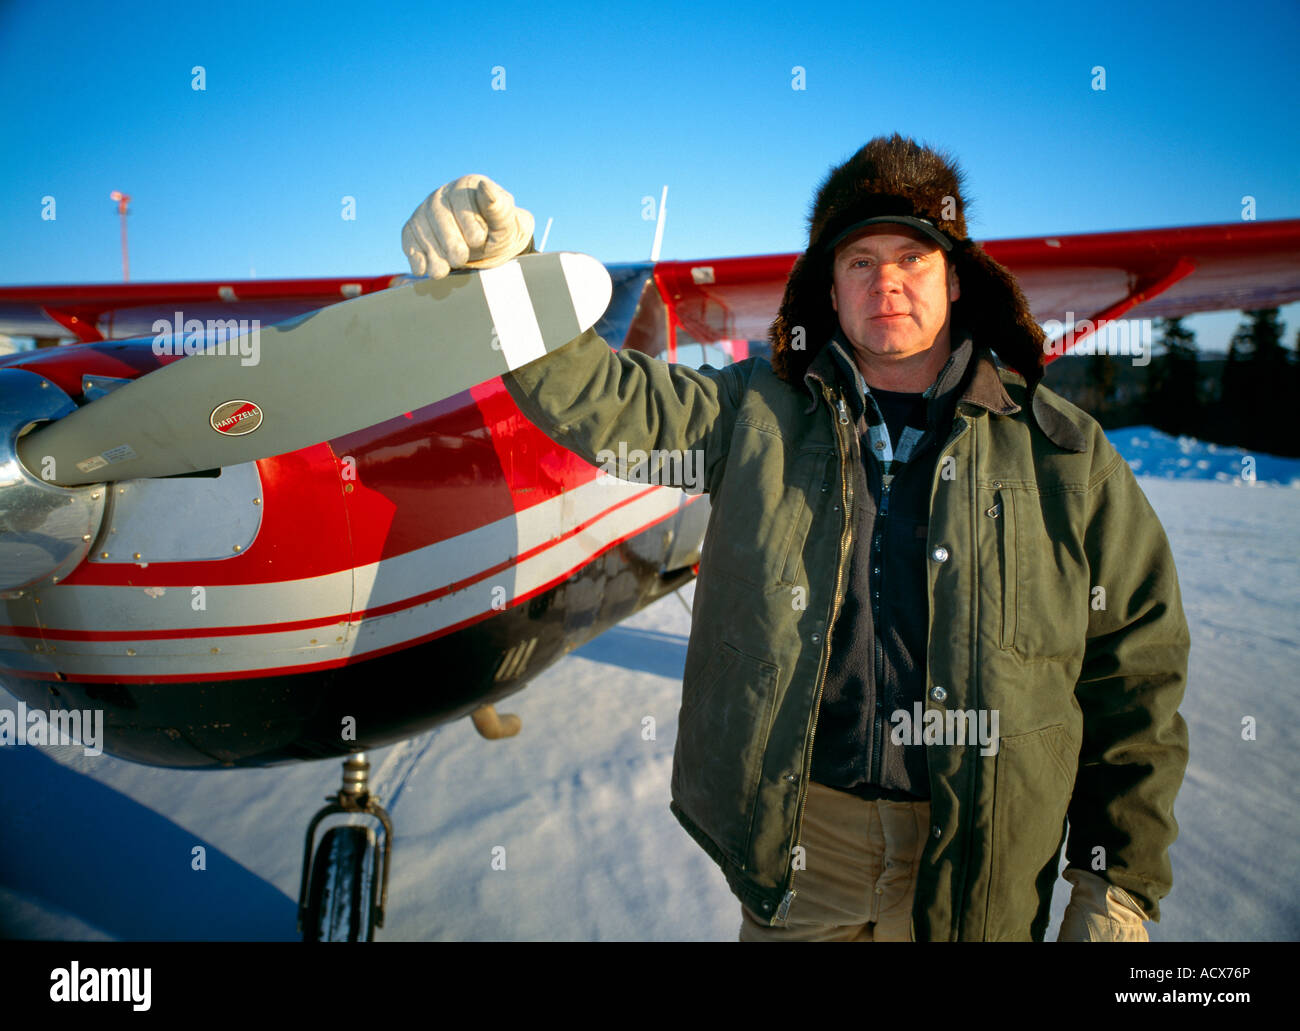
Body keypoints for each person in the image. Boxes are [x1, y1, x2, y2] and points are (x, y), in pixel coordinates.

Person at [401, 135, 1190, 942]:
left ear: (954, 277)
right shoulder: (757, 411)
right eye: (858, 261)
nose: (886, 280)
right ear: (830, 289)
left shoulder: (1065, 453)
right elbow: (607, 400)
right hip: (807, 853)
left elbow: (1138, 670)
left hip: (982, 866)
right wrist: (508, 278)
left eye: (912, 256)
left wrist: (1114, 883)